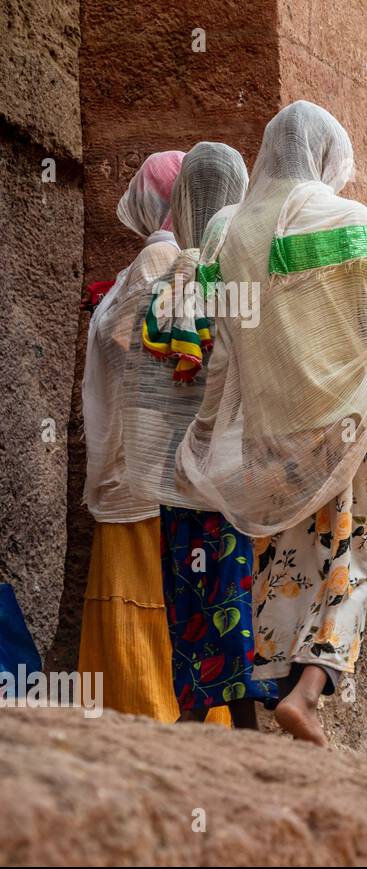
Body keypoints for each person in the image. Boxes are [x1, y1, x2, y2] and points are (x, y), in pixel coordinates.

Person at [173, 101, 367, 745]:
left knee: (283, 563)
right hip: (337, 431)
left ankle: (275, 694)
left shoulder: (229, 232)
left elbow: (216, 337)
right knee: (349, 558)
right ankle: (305, 691)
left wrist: (212, 430)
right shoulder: (346, 219)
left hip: (268, 433)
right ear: (324, 155)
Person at [121, 142, 274, 729]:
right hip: (230, 472)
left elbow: (146, 387)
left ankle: (192, 711)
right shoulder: (240, 278)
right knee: (232, 584)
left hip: (175, 473)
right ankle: (242, 720)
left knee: (186, 588)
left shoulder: (167, 281)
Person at [79, 149, 229, 726]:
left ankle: (144, 733)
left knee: (143, 607)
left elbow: (128, 343)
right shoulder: (191, 259)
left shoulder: (157, 258)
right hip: (176, 471)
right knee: (183, 609)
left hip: (142, 475)